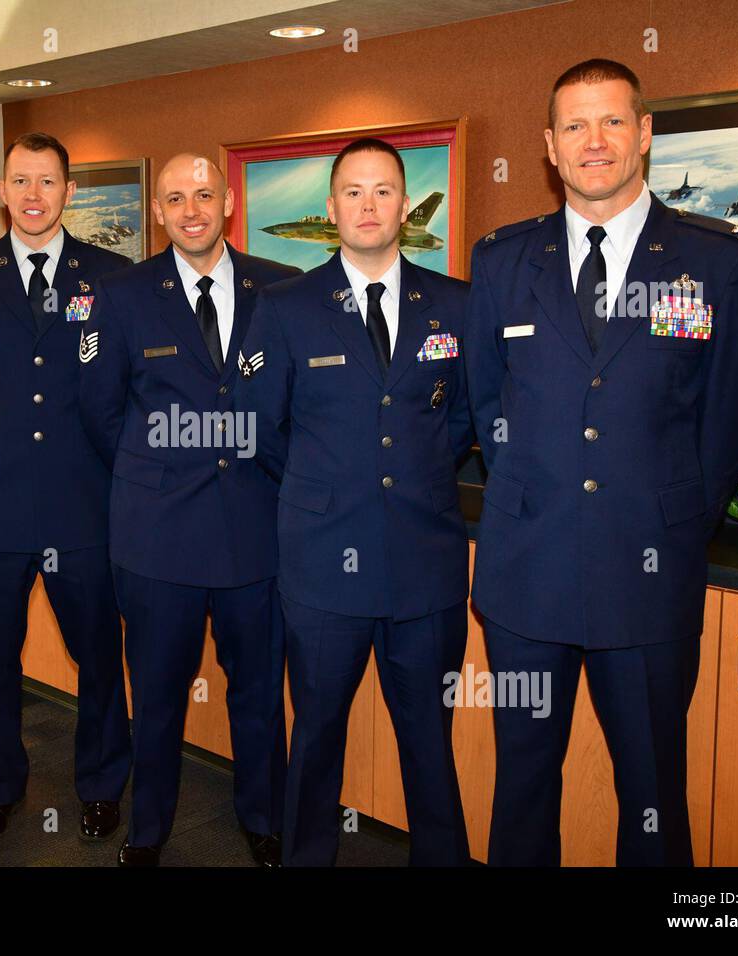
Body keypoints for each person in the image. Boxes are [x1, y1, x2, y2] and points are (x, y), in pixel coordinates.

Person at [464, 59, 738, 865]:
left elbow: (729, 418)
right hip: (527, 574)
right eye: (573, 125)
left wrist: (668, 522)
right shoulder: (500, 262)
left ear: (643, 134)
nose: (592, 141)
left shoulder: (718, 261)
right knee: (523, 783)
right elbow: (488, 404)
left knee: (653, 798)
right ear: (550, 147)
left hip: (650, 576)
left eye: (609, 122)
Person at [236, 138, 475, 866]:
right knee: (314, 739)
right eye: (352, 192)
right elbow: (263, 427)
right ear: (332, 206)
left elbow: (463, 417)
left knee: (430, 744)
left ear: (405, 205)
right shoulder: (283, 307)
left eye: (382, 191)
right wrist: (325, 488)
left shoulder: (458, 304)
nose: (368, 205)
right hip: (320, 568)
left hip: (425, 564)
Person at [78, 153, 298, 867]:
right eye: (176, 198)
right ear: (158, 212)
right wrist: (161, 473)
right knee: (159, 698)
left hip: (257, 533)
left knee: (260, 694)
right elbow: (102, 414)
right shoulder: (120, 294)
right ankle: (149, 831)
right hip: (158, 539)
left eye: (204, 195)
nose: (192, 209)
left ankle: (265, 820)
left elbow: (293, 407)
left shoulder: (282, 288)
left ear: (228, 201)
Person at [0, 133, 133, 845]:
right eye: (22, 180)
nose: (34, 194)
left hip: (84, 502)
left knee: (99, 656)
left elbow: (122, 382)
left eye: (48, 181)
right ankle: (3, 784)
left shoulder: (110, 274)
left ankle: (103, 786)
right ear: (3, 188)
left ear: (69, 192)